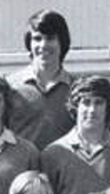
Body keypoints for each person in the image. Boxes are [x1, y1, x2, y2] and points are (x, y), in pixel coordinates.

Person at [6, 9, 76, 149]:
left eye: (50, 38)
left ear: (62, 42)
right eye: (37, 38)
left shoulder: (76, 88)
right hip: (22, 169)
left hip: (62, 168)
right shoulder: (10, 86)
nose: (43, 45)